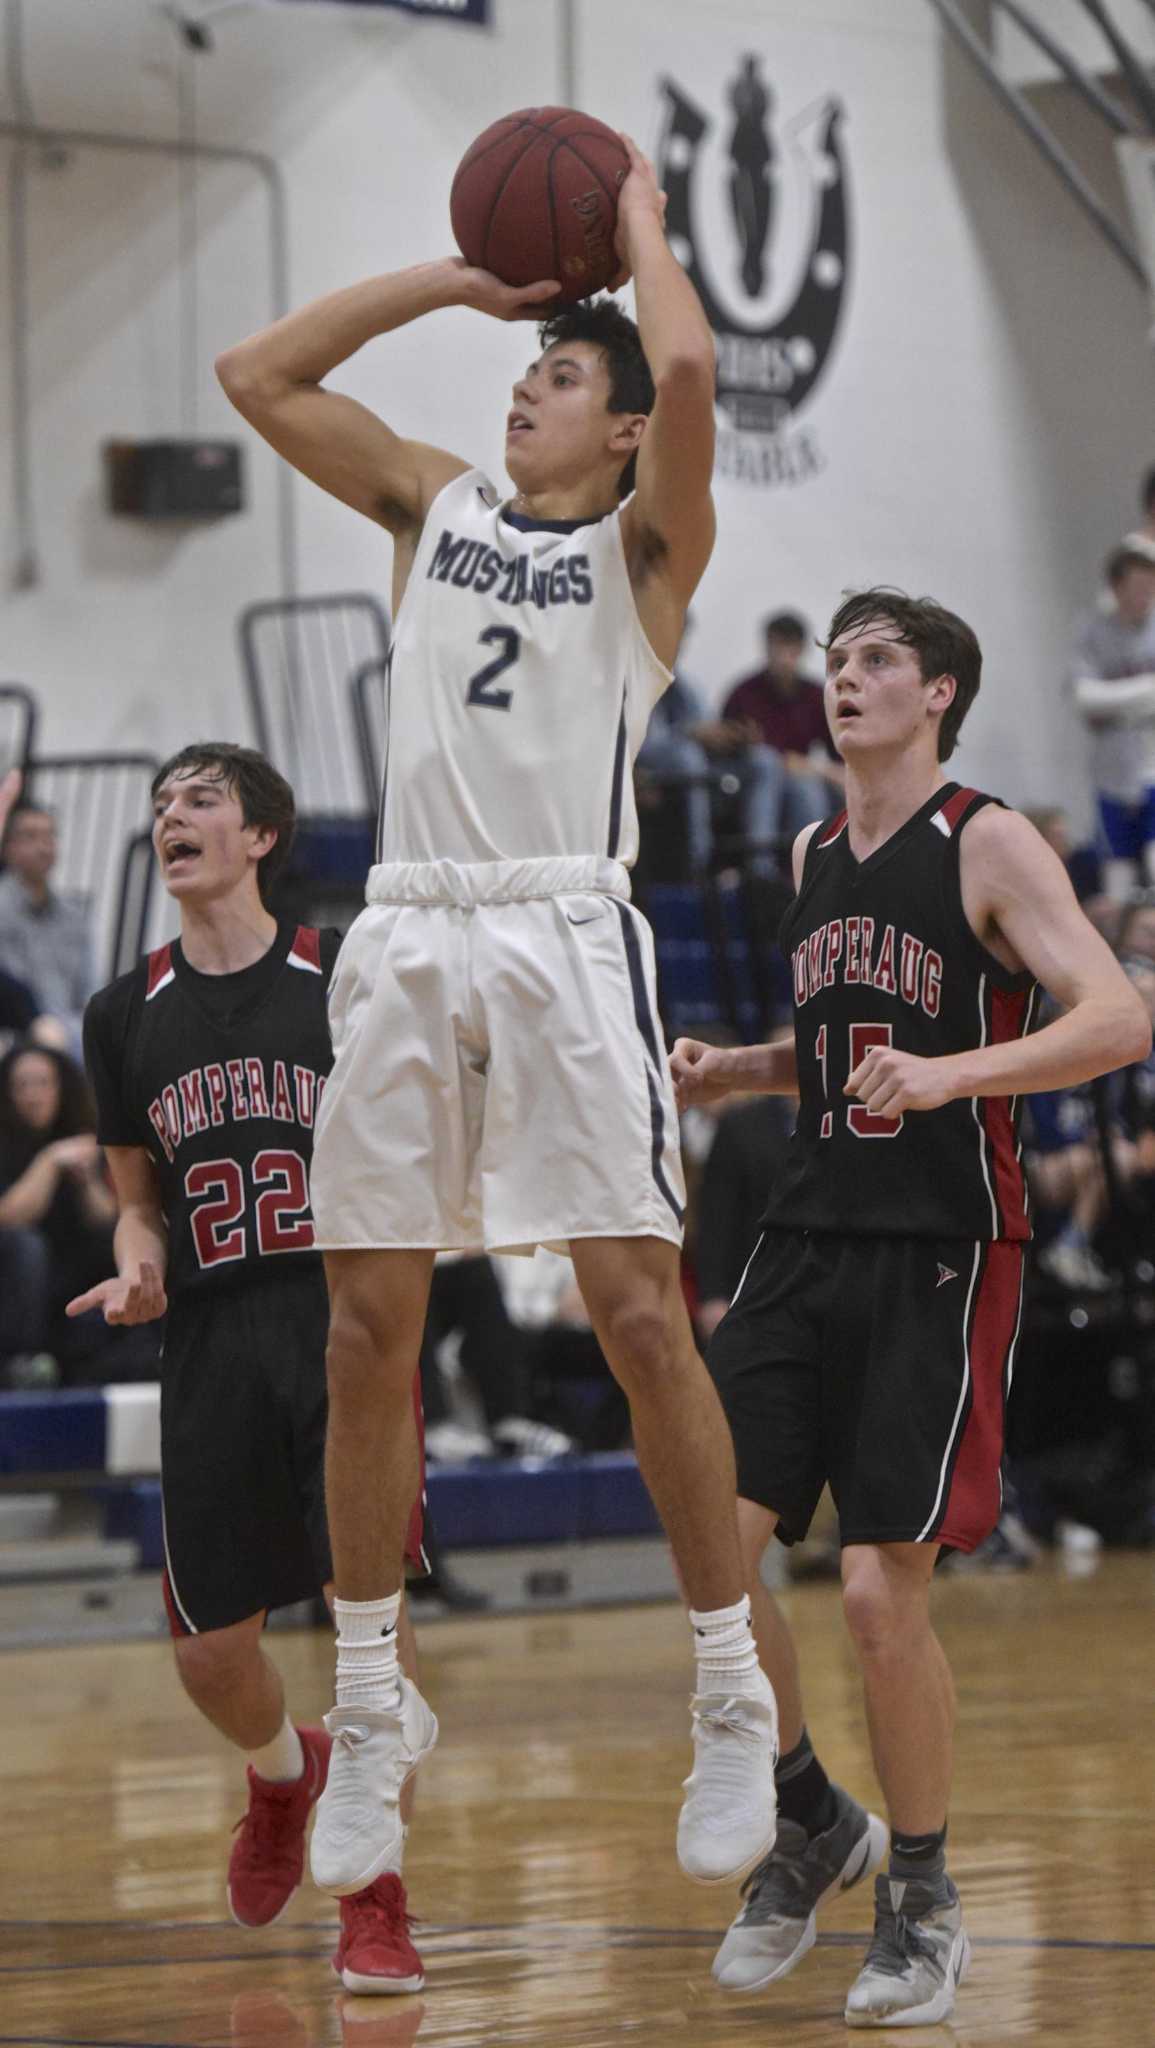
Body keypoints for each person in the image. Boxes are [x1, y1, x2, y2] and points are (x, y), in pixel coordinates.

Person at [216, 136, 778, 1903]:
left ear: (620, 434)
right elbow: (258, 376)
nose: (524, 392)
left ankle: (730, 1691)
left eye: (558, 380)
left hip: (561, 925)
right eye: (522, 375)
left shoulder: (650, 548)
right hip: (404, 926)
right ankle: (371, 1703)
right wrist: (460, 282)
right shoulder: (433, 505)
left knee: (638, 1315)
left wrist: (641, 230)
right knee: (364, 1339)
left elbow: (686, 365)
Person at [672, 587, 1150, 2028]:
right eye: (835, 660)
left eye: (876, 660)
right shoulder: (813, 850)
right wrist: (744, 1066)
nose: (845, 679)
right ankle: (812, 1815)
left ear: (938, 692)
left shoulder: (985, 838)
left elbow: (1116, 1015)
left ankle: (925, 1893)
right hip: (804, 1233)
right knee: (709, 1551)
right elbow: (849, 1048)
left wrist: (953, 1077)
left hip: (942, 1245)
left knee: (881, 1593)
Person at [72, 742, 429, 1996]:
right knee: (210, 1654)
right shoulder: (122, 1011)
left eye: (201, 798)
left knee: (367, 1628)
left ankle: (376, 1899)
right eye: (162, 803)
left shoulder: (342, 973)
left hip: (344, 1321)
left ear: (262, 834)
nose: (172, 816)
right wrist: (139, 1264)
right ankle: (285, 1772)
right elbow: (136, 1197)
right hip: (211, 1335)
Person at [0, 1043, 151, 1386]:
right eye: (22, 1085)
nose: (33, 1095)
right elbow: (10, 1217)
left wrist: (86, 1182)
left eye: (43, 1083)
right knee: (27, 1246)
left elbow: (108, 1218)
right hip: (15, 1279)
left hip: (67, 1275)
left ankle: (141, 1351)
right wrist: (49, 1161)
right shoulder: (22, 1147)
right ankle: (21, 1363)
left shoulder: (83, 1137)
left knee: (125, 1241)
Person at [720, 613, 844, 865]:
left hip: (800, 775)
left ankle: (810, 870)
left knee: (807, 788)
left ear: (800, 650)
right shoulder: (744, 693)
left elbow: (843, 764)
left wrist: (810, 766)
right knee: (769, 765)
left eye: (788, 648)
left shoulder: (816, 697)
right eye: (774, 647)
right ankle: (761, 865)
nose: (780, 657)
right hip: (754, 779)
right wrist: (737, 739)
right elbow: (722, 746)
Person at [1069, 546, 1155, 899]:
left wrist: (1114, 700)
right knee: (1117, 876)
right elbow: (1084, 697)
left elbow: (1099, 699)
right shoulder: (1092, 632)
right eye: (1139, 587)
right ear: (1116, 588)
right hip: (1112, 772)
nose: (1146, 596)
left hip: (1151, 766)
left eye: (1151, 587)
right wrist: (1146, 691)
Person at [0, 802, 97, 1056]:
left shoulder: (74, 917)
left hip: (69, 1035)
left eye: (49, 836)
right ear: (8, 848)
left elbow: (90, 994)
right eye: (30, 836)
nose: (43, 847)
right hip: (17, 1035)